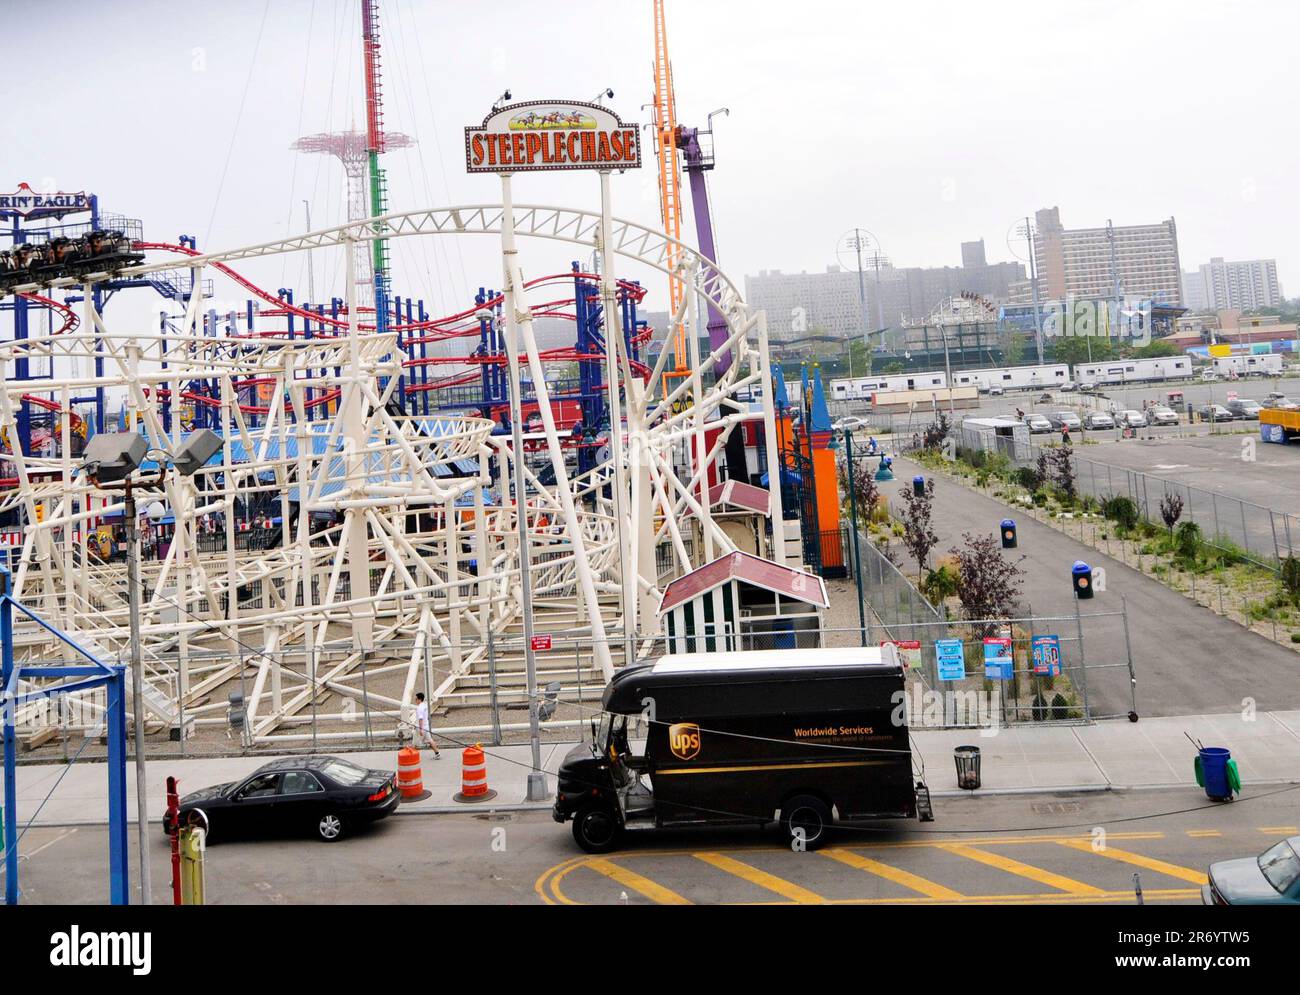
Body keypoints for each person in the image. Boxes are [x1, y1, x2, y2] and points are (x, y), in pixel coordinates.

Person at [414, 692, 440, 758]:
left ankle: (412, 757)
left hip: (421, 727)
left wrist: (420, 729)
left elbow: (420, 719)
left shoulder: (419, 708)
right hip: (426, 726)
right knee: (430, 740)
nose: (415, 700)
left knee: (415, 742)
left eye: (416, 699)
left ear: (419, 699)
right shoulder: (425, 705)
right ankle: (437, 753)